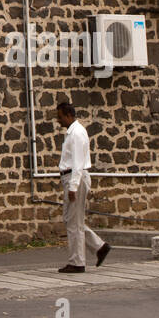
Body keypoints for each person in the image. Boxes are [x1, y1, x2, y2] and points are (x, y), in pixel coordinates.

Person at [56, 101, 111, 273]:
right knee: (71, 219)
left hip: (75, 178)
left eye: (60, 117)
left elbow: (78, 163)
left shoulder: (77, 134)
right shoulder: (72, 133)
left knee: (74, 222)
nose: (59, 121)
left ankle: (77, 261)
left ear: (68, 115)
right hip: (72, 177)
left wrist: (73, 186)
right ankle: (99, 246)